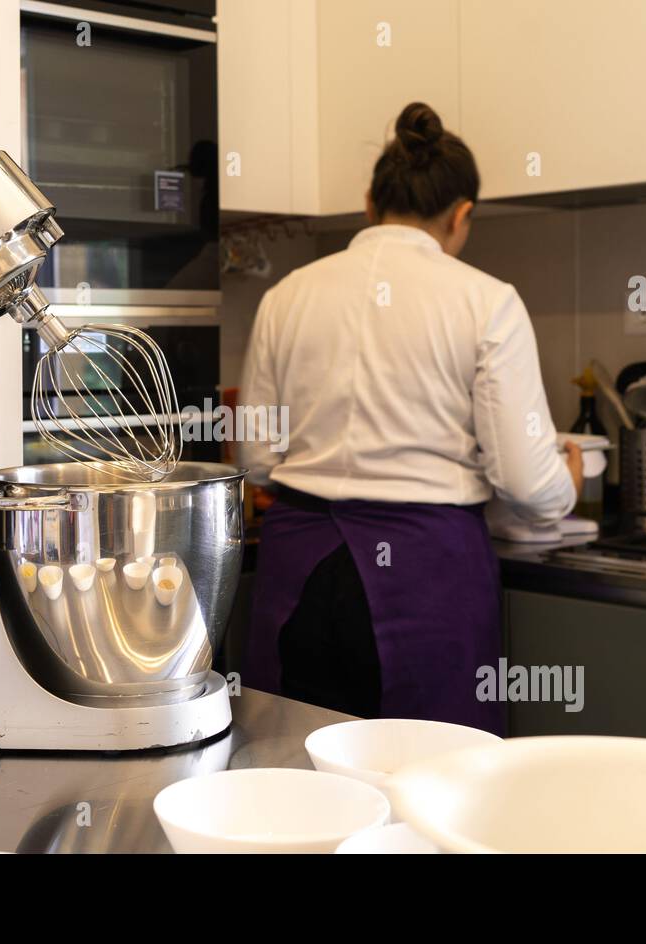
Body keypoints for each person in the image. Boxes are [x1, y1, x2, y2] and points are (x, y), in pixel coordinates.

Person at [237, 102, 583, 733]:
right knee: (429, 791)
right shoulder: (488, 302)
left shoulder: (286, 294)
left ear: (370, 202)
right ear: (462, 214)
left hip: (300, 569)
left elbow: (257, 458)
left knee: (294, 782)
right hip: (428, 570)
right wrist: (568, 486)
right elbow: (529, 483)